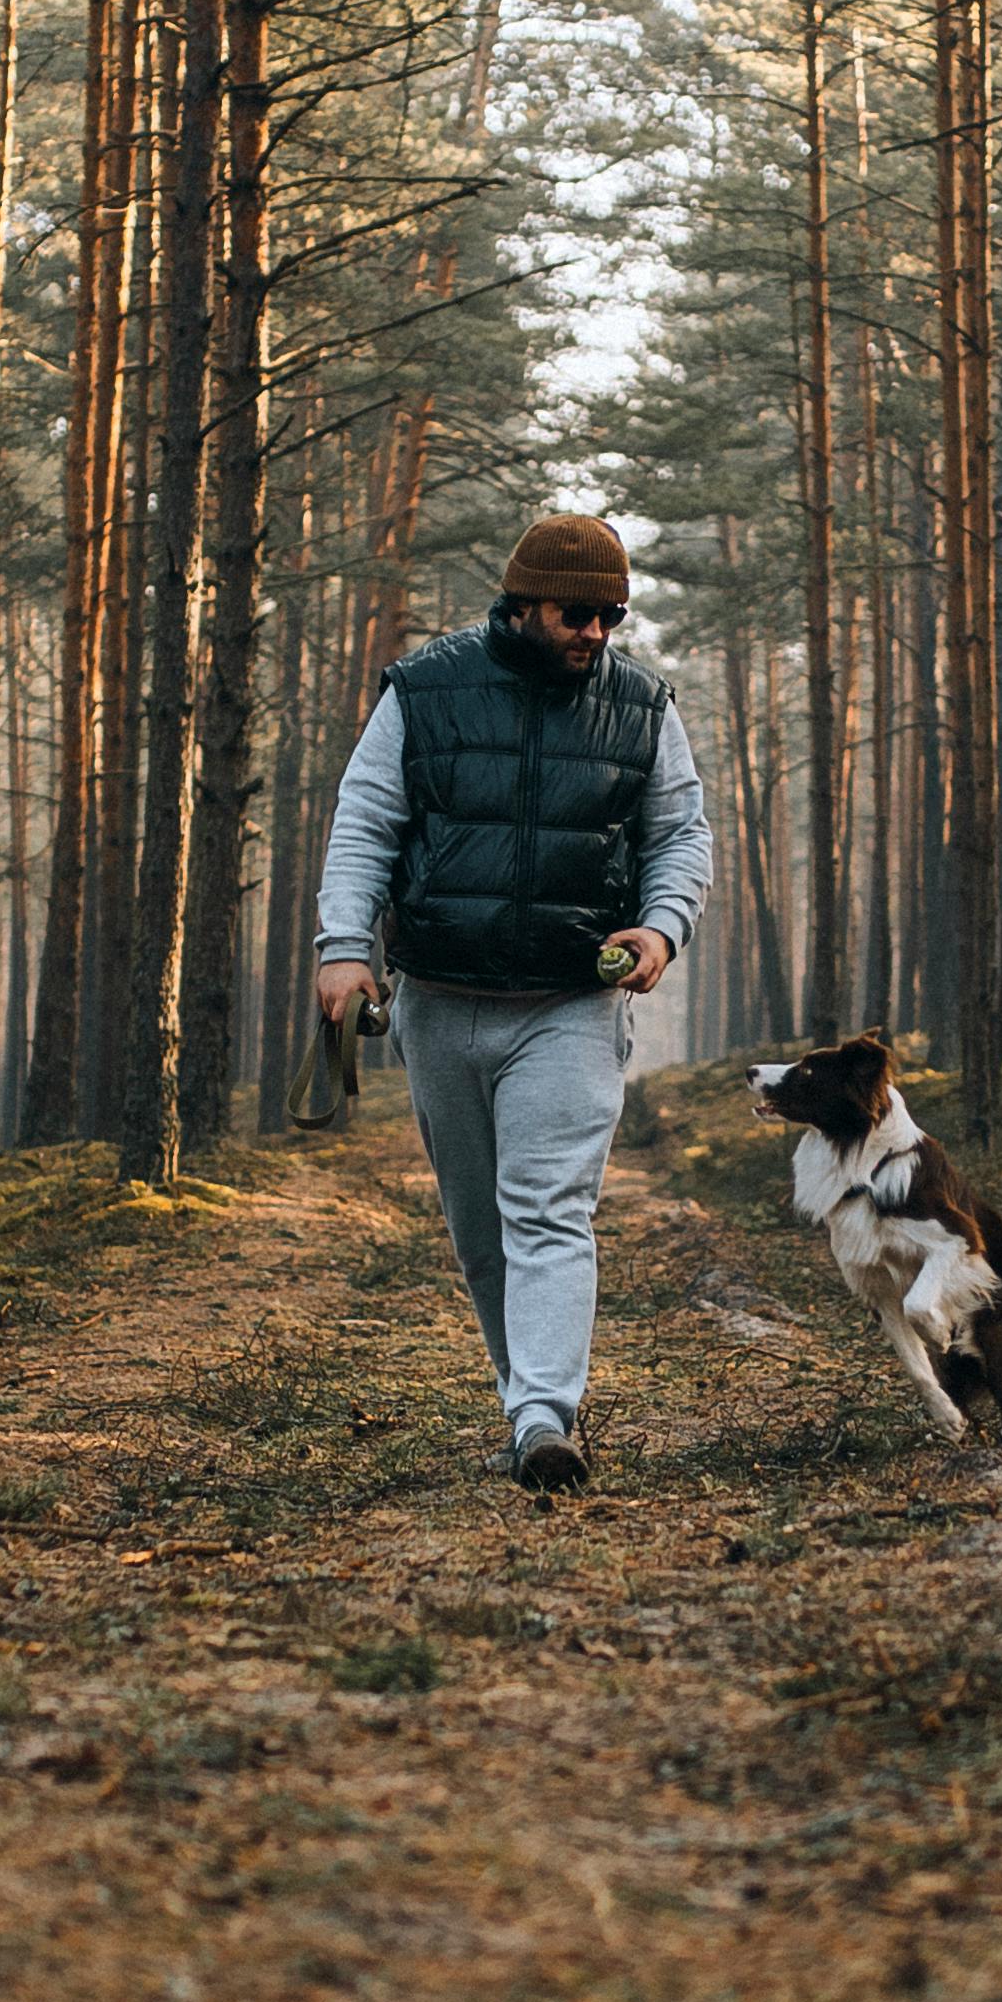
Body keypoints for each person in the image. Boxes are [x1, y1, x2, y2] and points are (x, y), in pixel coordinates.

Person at [312, 514, 712, 1493]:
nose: (595, 634)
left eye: (612, 616)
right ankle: (525, 1402)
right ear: (524, 603)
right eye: (577, 613)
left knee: (546, 1211)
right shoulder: (425, 691)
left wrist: (658, 928)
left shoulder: (642, 707)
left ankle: (544, 1419)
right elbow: (364, 821)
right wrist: (341, 950)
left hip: (571, 1004)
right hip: (442, 1003)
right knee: (480, 1227)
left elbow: (679, 834)